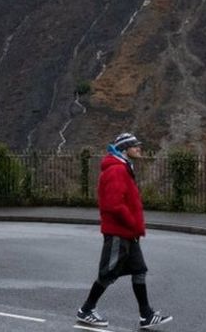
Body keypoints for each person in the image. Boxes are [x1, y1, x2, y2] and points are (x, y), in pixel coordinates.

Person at [76, 132, 173, 329]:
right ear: (124, 149)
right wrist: (132, 223)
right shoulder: (116, 170)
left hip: (129, 233)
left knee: (139, 270)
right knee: (107, 273)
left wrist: (134, 227)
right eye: (134, 145)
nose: (139, 148)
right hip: (119, 232)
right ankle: (86, 310)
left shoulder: (124, 167)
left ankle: (146, 315)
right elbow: (114, 205)